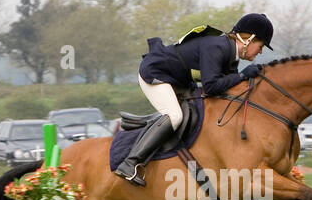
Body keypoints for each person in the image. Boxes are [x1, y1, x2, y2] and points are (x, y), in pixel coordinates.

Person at [114, 12, 274, 185]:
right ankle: (130, 163)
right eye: (261, 45)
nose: (260, 51)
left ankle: (147, 127)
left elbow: (228, 90)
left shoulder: (230, 53)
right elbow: (212, 87)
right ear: (249, 39)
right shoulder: (217, 47)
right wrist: (243, 75)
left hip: (178, 79)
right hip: (156, 72)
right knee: (175, 116)